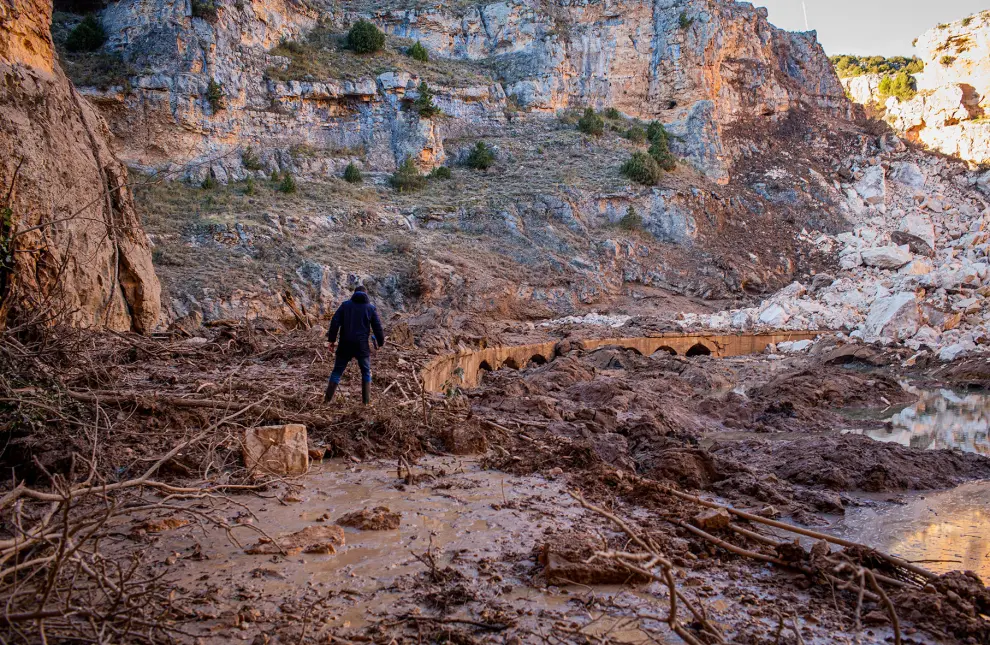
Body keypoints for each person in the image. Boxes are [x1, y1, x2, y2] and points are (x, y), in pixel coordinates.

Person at [325, 285, 385, 405]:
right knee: (366, 372)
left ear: (354, 293)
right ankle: (366, 403)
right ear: (366, 294)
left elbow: (335, 322)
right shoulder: (370, 308)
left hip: (345, 344)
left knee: (337, 371)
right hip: (361, 345)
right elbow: (377, 327)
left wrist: (331, 340)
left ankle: (326, 401)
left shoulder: (345, 305)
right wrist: (380, 342)